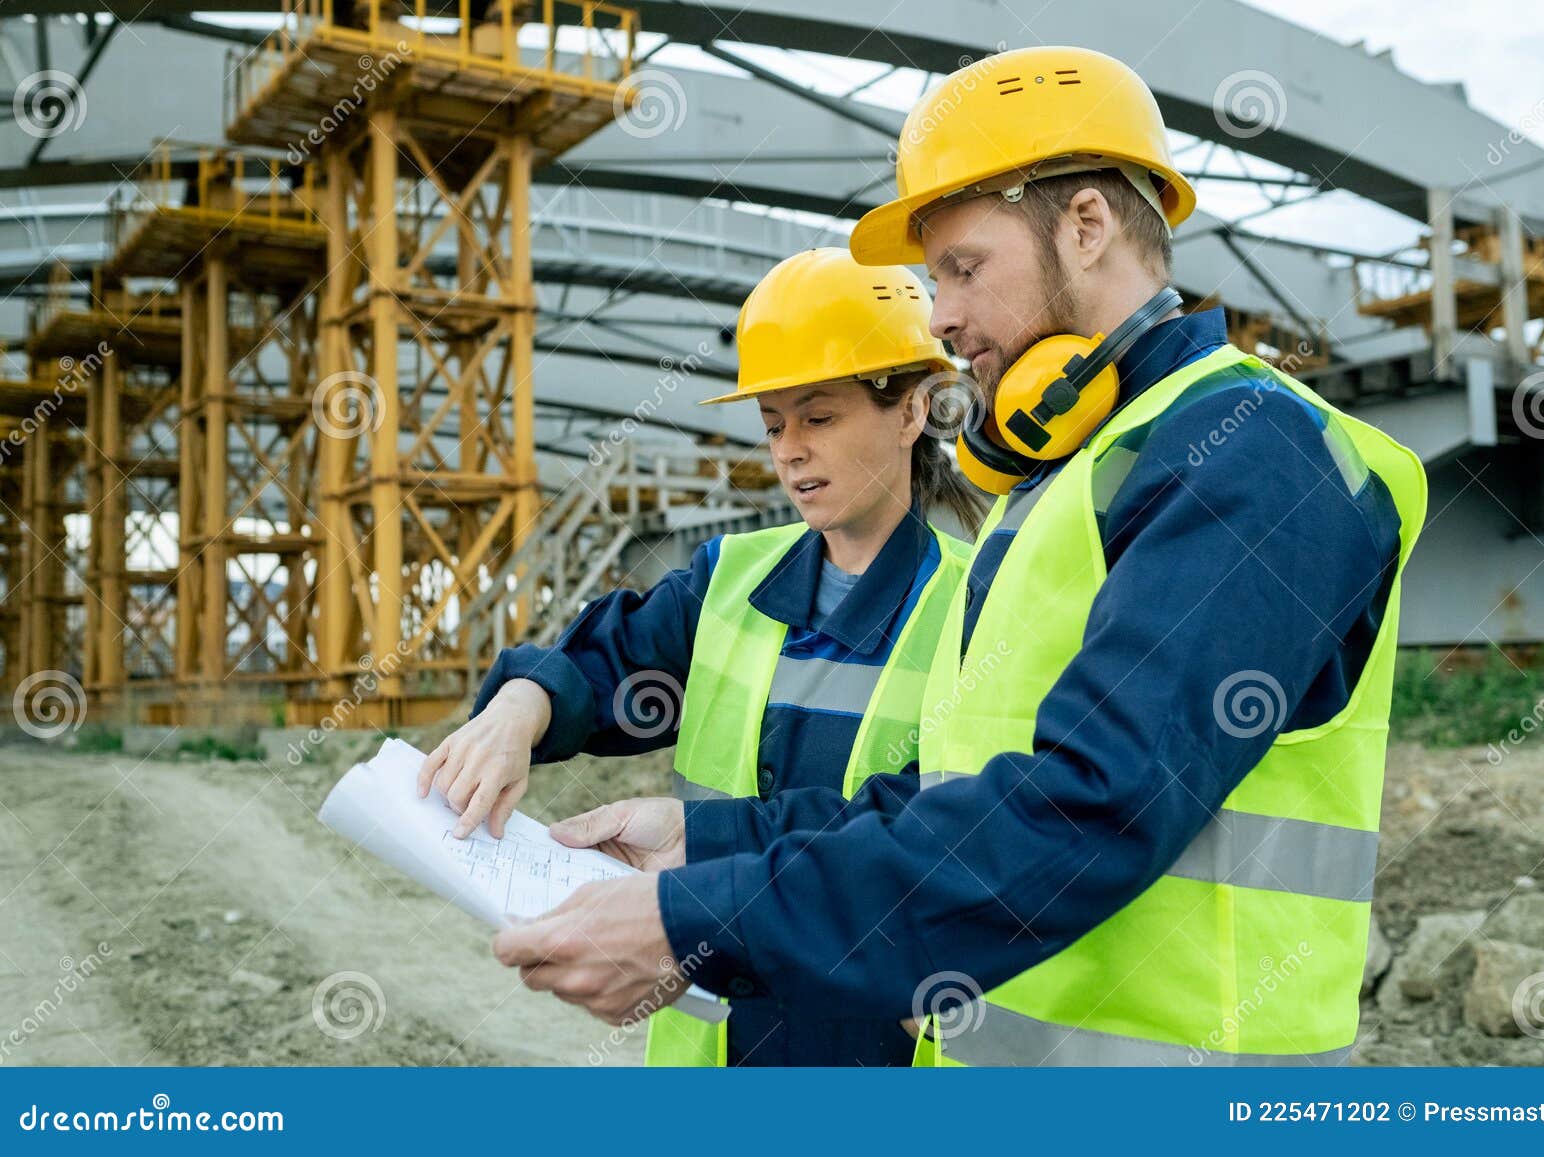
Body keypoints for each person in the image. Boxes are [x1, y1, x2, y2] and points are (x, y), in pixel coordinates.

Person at [489, 45, 1429, 1068]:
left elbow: (1086, 805)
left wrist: (701, 917)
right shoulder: (1072, 480)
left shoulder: (1254, 452)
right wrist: (708, 846)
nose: (938, 316)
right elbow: (965, 789)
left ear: (1085, 224)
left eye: (962, 268)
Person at [422, 247, 984, 1066]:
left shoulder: (977, 609)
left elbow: (944, 831)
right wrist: (520, 707)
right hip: (716, 1039)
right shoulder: (728, 580)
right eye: (772, 423)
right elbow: (602, 663)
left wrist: (704, 844)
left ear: (912, 412)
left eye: (818, 417)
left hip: (872, 1042)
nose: (788, 449)